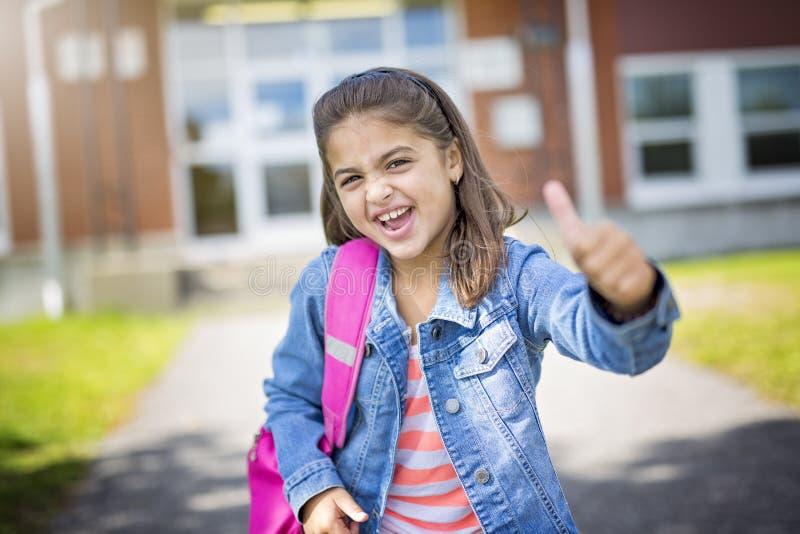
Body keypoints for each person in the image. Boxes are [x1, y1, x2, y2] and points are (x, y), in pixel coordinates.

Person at [263, 67, 680, 534]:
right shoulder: (329, 282)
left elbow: (616, 345)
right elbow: (291, 398)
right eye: (352, 178)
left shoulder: (513, 276)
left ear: (453, 160)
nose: (377, 191)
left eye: (397, 163)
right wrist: (314, 490)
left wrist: (628, 300)